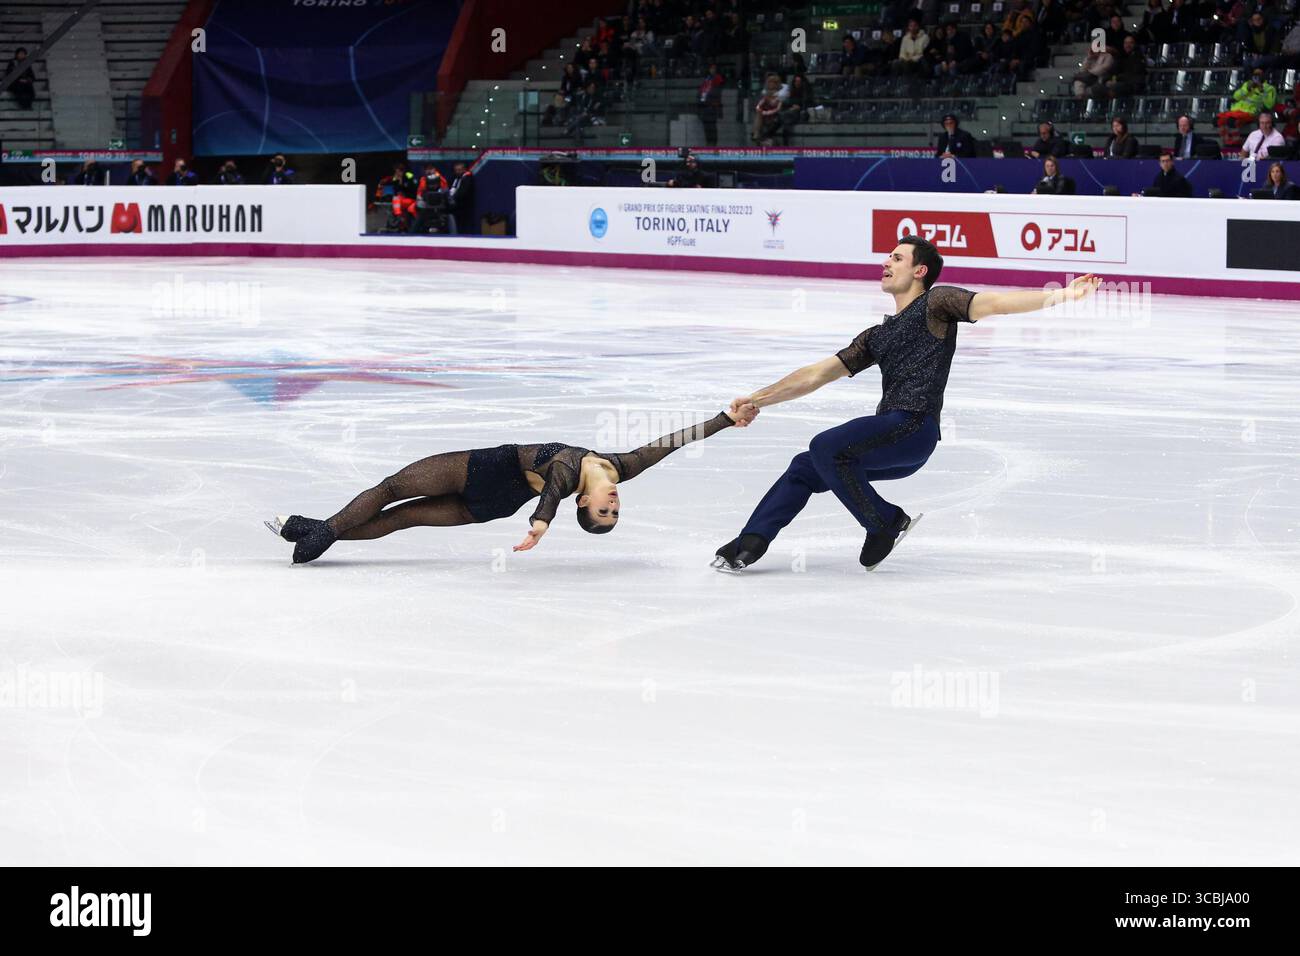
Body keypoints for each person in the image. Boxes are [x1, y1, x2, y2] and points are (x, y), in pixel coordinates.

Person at [711, 236, 1101, 572]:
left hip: (913, 428)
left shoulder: (937, 303)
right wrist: (756, 400)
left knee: (825, 446)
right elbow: (816, 374)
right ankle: (751, 542)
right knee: (806, 466)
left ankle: (885, 522)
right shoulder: (876, 336)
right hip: (888, 444)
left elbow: (995, 302)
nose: (886, 263)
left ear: (920, 271)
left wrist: (1062, 295)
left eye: (897, 258)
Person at [270, 406, 756, 564]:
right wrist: (725, 419)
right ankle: (310, 529)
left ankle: (318, 531)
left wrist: (541, 523)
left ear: (583, 503)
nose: (612, 504)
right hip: (494, 493)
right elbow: (673, 441)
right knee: (397, 505)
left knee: (395, 499)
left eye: (602, 512)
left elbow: (555, 484)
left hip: (485, 474)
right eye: (615, 511)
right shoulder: (623, 466)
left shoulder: (570, 473)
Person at [697, 62, 724, 146]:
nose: (713, 70)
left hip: (712, 106)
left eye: (714, 68)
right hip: (704, 106)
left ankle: (713, 144)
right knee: (706, 127)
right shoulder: (706, 79)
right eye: (711, 68)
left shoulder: (717, 78)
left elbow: (718, 89)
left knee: (712, 126)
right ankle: (708, 143)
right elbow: (701, 91)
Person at [447, 161, 475, 235]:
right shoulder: (454, 178)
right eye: (456, 170)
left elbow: (463, 192)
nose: (458, 172)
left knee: (463, 225)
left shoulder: (467, 178)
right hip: (453, 206)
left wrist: (453, 197)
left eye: (459, 170)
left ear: (464, 169)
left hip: (464, 206)